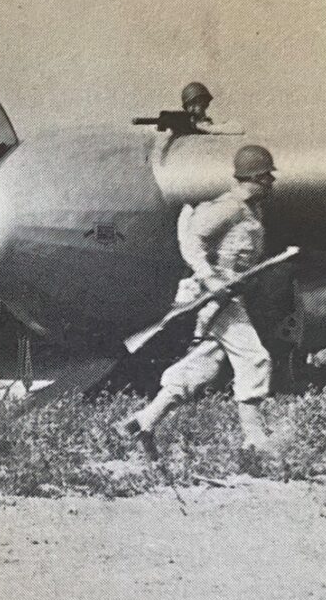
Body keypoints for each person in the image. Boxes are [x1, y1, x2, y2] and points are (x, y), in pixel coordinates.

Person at [116, 145, 278, 468]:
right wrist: (211, 279)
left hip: (231, 295)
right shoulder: (228, 207)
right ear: (256, 178)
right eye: (268, 177)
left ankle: (143, 421)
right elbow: (191, 239)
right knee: (254, 357)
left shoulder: (252, 210)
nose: (272, 183)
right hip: (216, 295)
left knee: (205, 364)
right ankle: (255, 440)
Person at [179, 82, 243, 135]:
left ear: (205, 102)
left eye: (195, 102)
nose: (191, 108)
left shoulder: (209, 126)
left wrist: (205, 128)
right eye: (188, 105)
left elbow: (239, 128)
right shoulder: (183, 126)